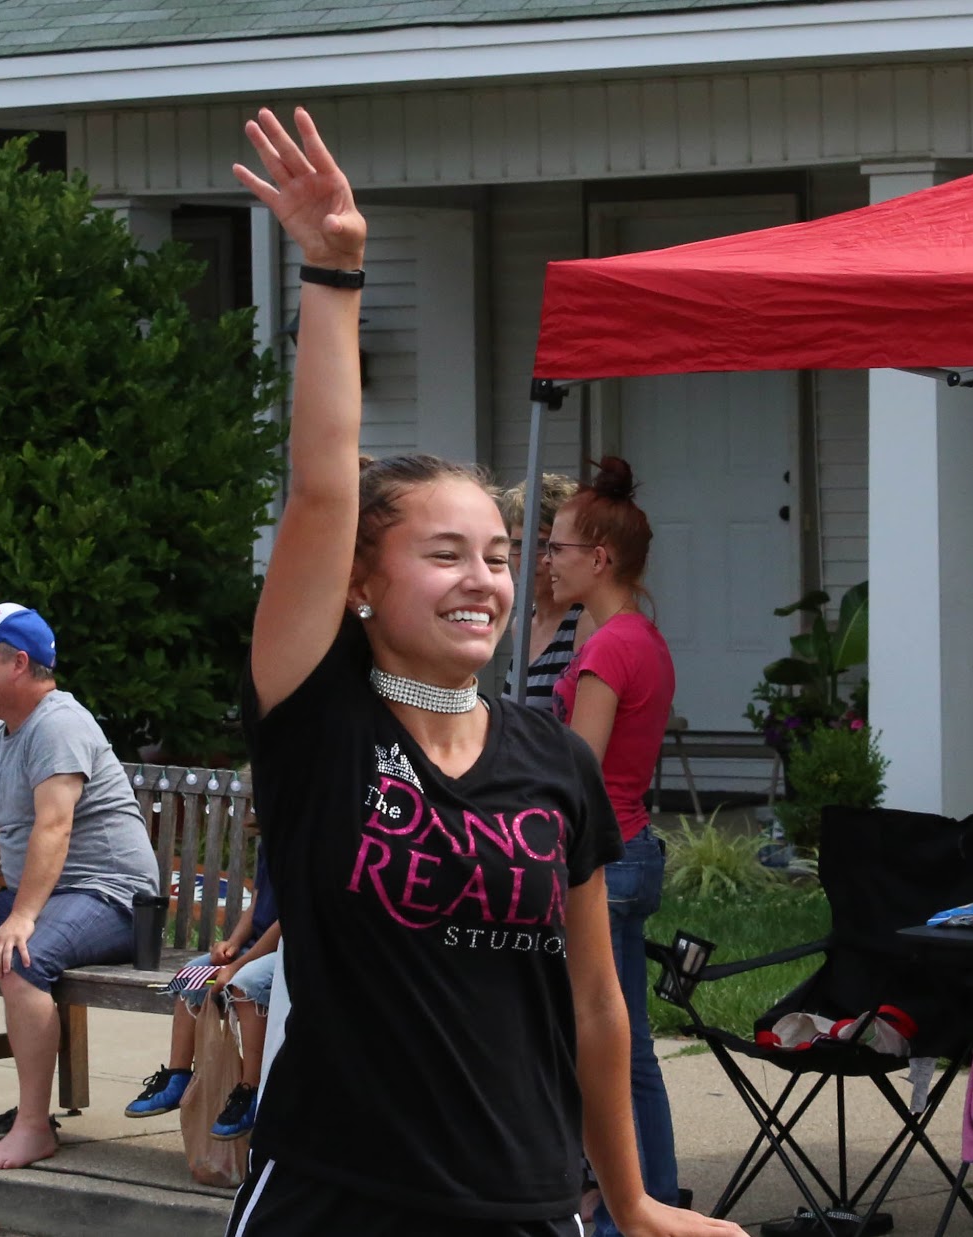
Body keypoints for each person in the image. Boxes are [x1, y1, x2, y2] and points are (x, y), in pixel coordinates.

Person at [226, 106, 740, 1237]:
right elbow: (321, 487)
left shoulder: (550, 760)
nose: (484, 581)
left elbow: (596, 1006)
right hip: (336, 1199)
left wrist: (631, 1199)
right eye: (444, 553)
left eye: (502, 557)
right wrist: (334, 267)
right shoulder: (320, 723)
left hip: (522, 1202)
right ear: (361, 578)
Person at [0, 603, 160, 1171]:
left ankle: (32, 1126)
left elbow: (55, 826)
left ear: (18, 663)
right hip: (45, 897)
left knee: (20, 961)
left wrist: (21, 917)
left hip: (111, 897)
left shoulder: (59, 724)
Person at [543, 461, 680, 1234]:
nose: (548, 560)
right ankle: (639, 1201)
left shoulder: (606, 650)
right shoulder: (639, 637)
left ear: (599, 558)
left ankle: (639, 1208)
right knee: (626, 1048)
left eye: (560, 547)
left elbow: (577, 773)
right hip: (631, 848)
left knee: (614, 1051)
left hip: (605, 857)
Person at [125, 853, 280, 1140]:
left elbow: (288, 920)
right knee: (191, 975)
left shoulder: (306, 835)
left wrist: (236, 966)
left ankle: (252, 1089)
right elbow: (257, 904)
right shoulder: (271, 837)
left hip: (286, 950)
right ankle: (178, 1075)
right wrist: (232, 944)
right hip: (255, 948)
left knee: (245, 984)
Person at [502, 472, 589, 711]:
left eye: (541, 545)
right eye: (518, 545)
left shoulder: (585, 622)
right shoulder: (521, 625)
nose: (527, 558)